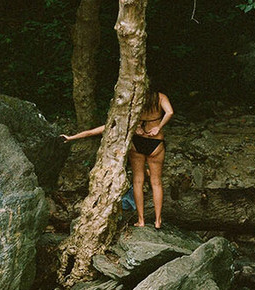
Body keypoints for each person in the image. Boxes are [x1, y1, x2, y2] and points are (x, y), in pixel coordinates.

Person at [62, 85, 174, 227]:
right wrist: (159, 127)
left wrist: (71, 137)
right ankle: (158, 221)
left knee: (138, 181)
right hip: (156, 143)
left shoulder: (136, 100)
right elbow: (169, 112)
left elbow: (101, 129)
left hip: (137, 144)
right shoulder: (160, 97)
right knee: (156, 182)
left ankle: (141, 220)